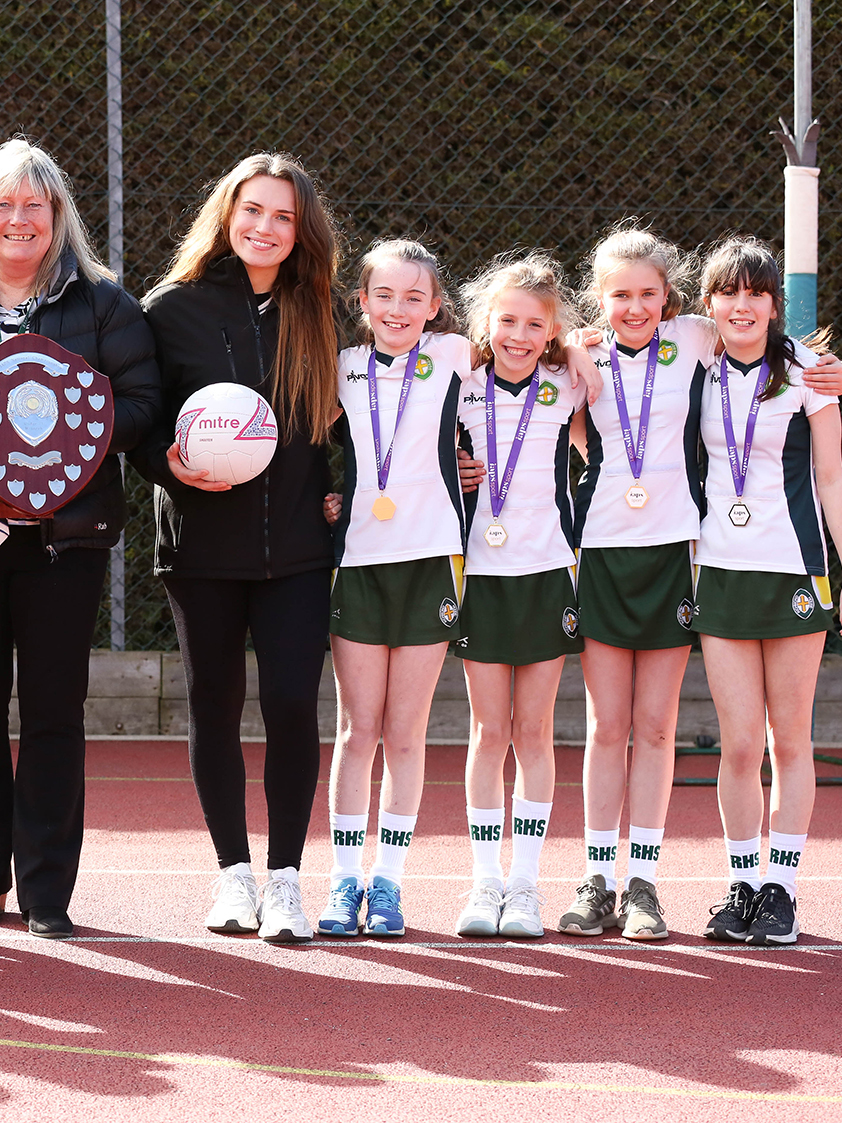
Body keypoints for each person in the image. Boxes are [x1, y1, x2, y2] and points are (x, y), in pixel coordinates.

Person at [558, 227, 842, 940]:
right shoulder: (598, 351)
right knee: (678, 734)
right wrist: (569, 342)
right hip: (663, 559)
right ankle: (618, 879)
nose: (634, 306)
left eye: (647, 293)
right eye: (619, 295)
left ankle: (763, 888)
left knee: (756, 737)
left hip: (728, 563)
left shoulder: (717, 345)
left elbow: (829, 472)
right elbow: (515, 355)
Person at [0, 138, 159, 939]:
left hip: (65, 539)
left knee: (54, 710)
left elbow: (141, 403)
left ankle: (47, 892)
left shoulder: (101, 304)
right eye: (3, 204)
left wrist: (67, 438)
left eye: (34, 205)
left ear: (58, 216)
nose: (18, 219)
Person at [134, 153, 340, 943]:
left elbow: (371, 416)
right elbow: (141, 422)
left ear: (301, 231)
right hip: (199, 549)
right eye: (252, 210)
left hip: (295, 549)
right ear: (227, 214)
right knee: (213, 707)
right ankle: (232, 875)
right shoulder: (171, 308)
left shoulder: (318, 310)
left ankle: (285, 878)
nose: (265, 226)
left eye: (283, 216)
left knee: (290, 703)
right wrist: (168, 464)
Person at [691, 237, 842, 946]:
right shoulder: (693, 366)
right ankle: (741, 881)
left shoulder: (806, 373)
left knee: (787, 739)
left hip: (795, 574)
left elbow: (830, 479)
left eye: (755, 293)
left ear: (771, 304)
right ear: (709, 304)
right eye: (728, 293)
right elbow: (613, 347)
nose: (742, 305)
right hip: (721, 576)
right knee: (737, 744)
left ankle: (782, 888)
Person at [316, 240, 471, 938]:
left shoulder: (456, 356)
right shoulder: (340, 367)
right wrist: (326, 492)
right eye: (385, 295)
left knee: (405, 733)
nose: (398, 309)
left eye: (415, 297)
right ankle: (342, 880)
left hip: (432, 558)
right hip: (359, 560)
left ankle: (388, 883)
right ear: (362, 302)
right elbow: (305, 442)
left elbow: (548, 343)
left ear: (435, 307)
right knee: (357, 729)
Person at [451, 253, 586, 940]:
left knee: (533, 731)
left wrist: (579, 345)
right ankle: (484, 882)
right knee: (486, 730)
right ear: (485, 321)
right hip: (478, 576)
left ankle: (525, 885)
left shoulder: (568, 384)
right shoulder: (459, 381)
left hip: (544, 573)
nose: (519, 334)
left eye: (536, 323)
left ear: (553, 329)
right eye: (506, 319)